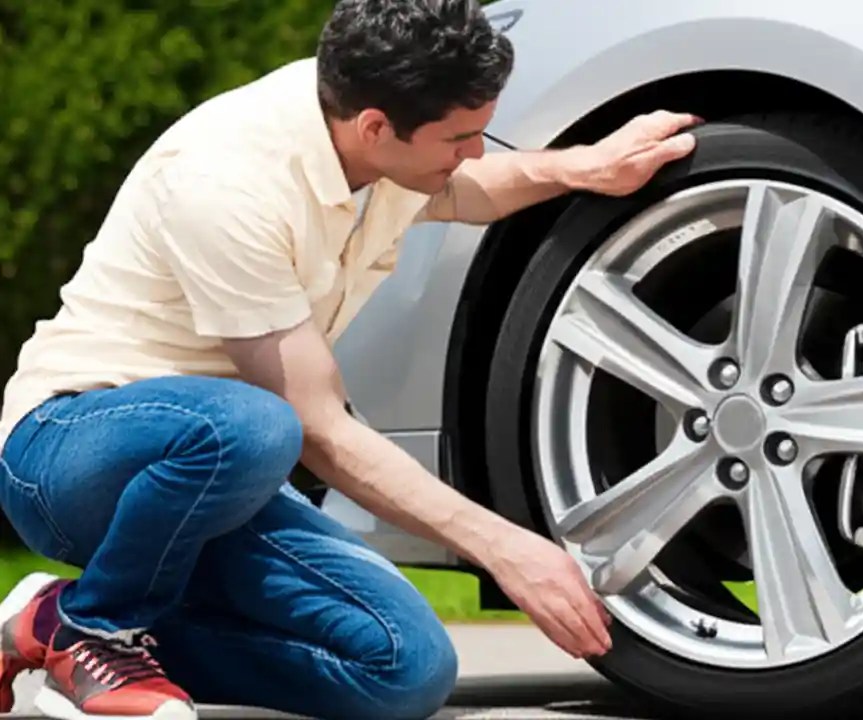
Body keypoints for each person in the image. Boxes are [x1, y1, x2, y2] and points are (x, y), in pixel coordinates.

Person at [0, 0, 699, 718]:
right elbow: (319, 429)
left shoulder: (374, 128)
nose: (477, 151)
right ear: (375, 127)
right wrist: (507, 548)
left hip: (220, 479)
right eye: (459, 136)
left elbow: (466, 190)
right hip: (72, 451)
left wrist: (585, 167)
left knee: (405, 671)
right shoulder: (227, 186)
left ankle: (54, 620)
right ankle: (100, 628)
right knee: (259, 426)